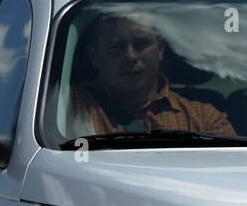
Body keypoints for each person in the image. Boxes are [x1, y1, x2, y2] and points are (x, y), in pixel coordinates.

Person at [68, 14, 235, 137]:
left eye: (141, 44)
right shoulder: (68, 107)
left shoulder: (205, 119)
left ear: (160, 49)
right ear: (94, 57)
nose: (131, 56)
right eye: (116, 47)